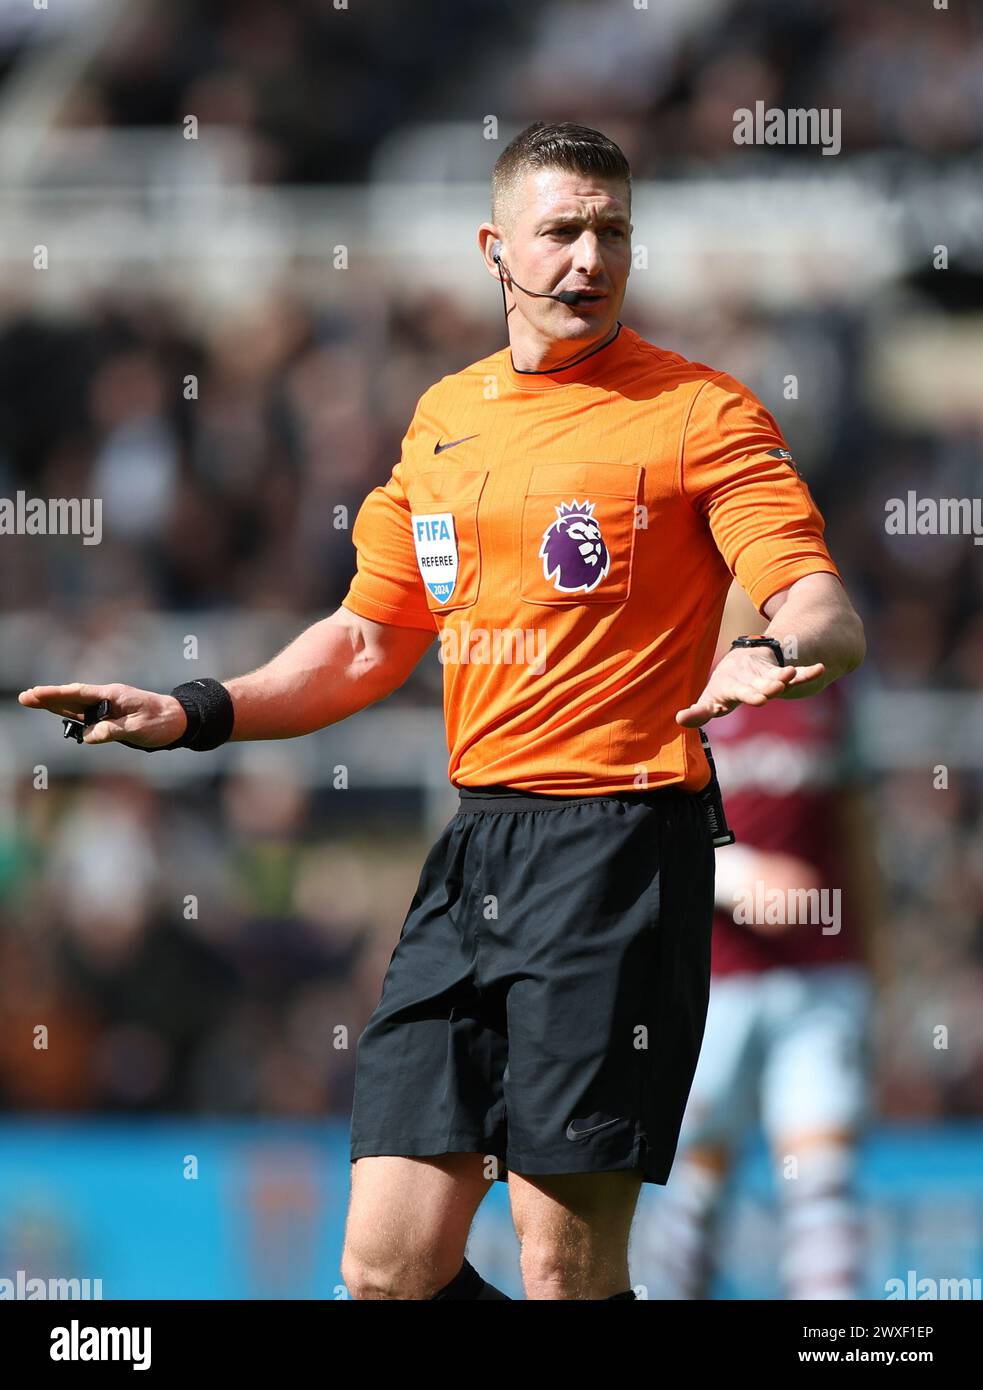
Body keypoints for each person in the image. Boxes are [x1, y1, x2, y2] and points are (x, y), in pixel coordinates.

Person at [18, 121, 866, 1301]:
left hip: (619, 855)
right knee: (381, 1271)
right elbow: (365, 642)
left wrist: (774, 649)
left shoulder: (698, 414)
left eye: (611, 231)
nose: (589, 258)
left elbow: (824, 606)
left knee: (562, 1267)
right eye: (561, 230)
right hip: (474, 853)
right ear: (493, 248)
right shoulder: (442, 421)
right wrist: (196, 708)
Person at [642, 582, 882, 1300]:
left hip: (820, 975)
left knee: (822, 1190)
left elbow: (858, 837)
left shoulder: (824, 690)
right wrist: (731, 875)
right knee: (690, 1194)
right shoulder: (671, 685)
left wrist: (878, 968)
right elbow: (631, 832)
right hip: (707, 980)